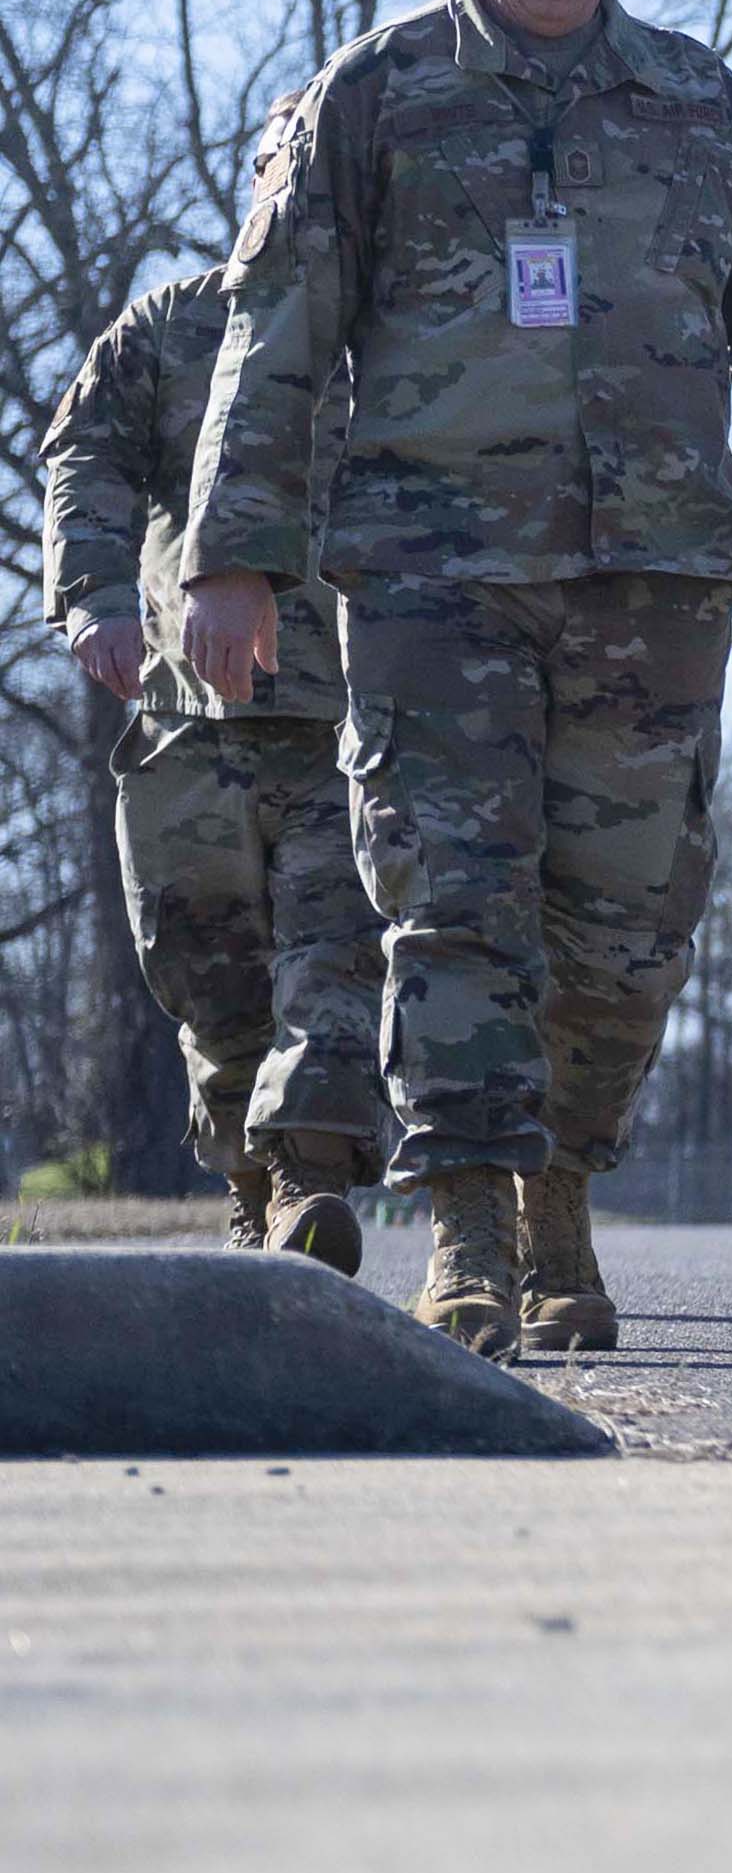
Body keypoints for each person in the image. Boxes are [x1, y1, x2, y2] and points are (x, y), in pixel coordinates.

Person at [181, 0, 732, 1358]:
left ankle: (562, 1188)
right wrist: (234, 555)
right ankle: (471, 1234)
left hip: (655, 570)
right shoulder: (377, 94)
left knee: (628, 925)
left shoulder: (695, 99)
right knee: (451, 898)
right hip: (431, 567)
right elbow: (274, 325)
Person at [40, 253, 387, 1266]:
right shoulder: (171, 325)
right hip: (188, 705)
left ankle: (310, 1177)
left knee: (336, 957)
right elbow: (87, 451)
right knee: (208, 970)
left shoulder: (399, 313)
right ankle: (252, 1182)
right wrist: (95, 597)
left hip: (353, 710)